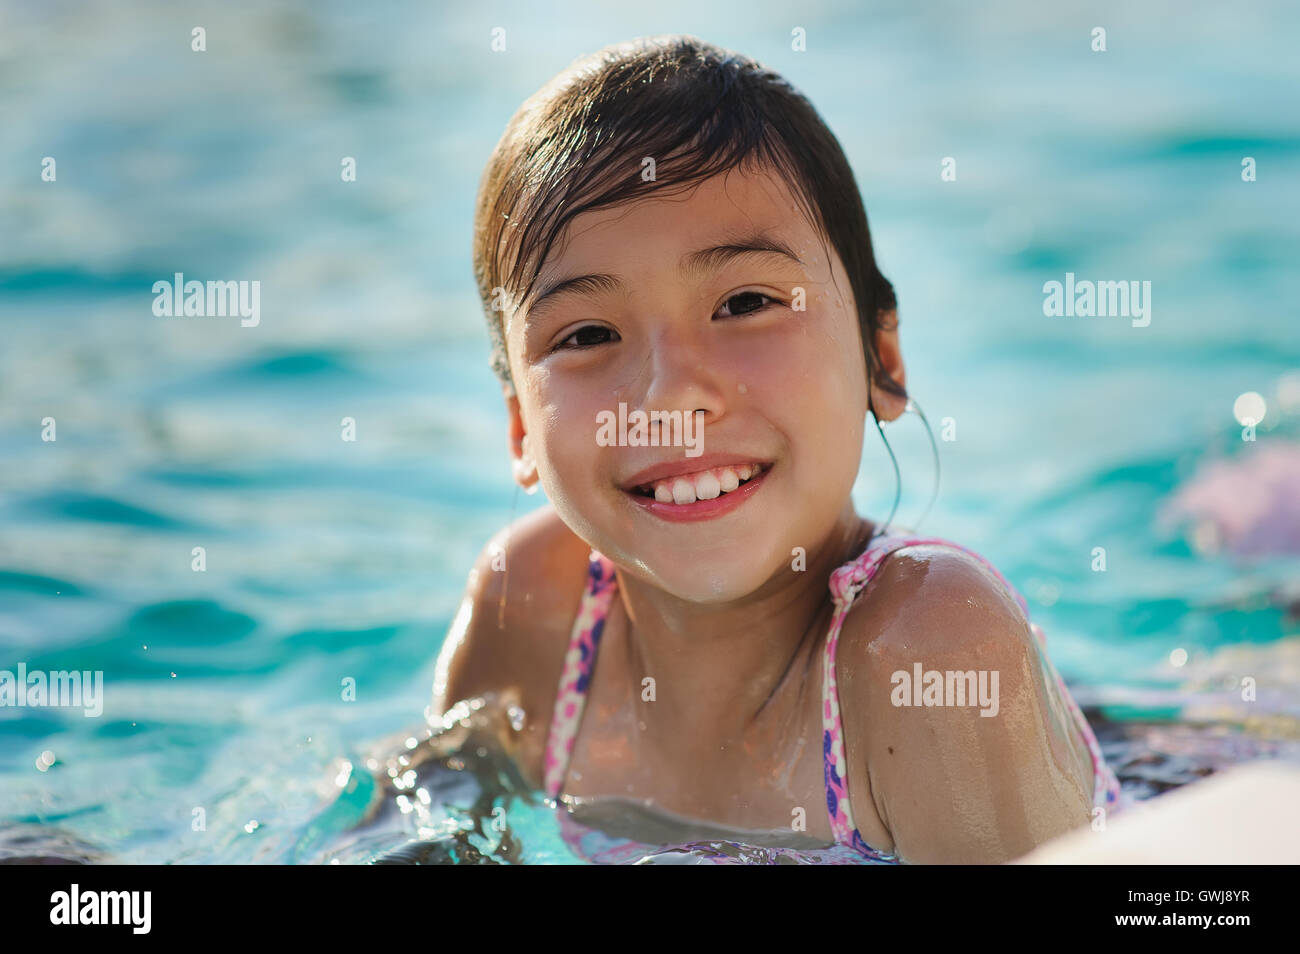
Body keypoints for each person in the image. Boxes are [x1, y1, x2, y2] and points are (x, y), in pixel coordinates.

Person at [432, 34, 1120, 864]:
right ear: (518, 428)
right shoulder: (532, 613)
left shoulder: (931, 648)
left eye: (746, 301)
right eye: (587, 333)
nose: (671, 396)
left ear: (881, 356)